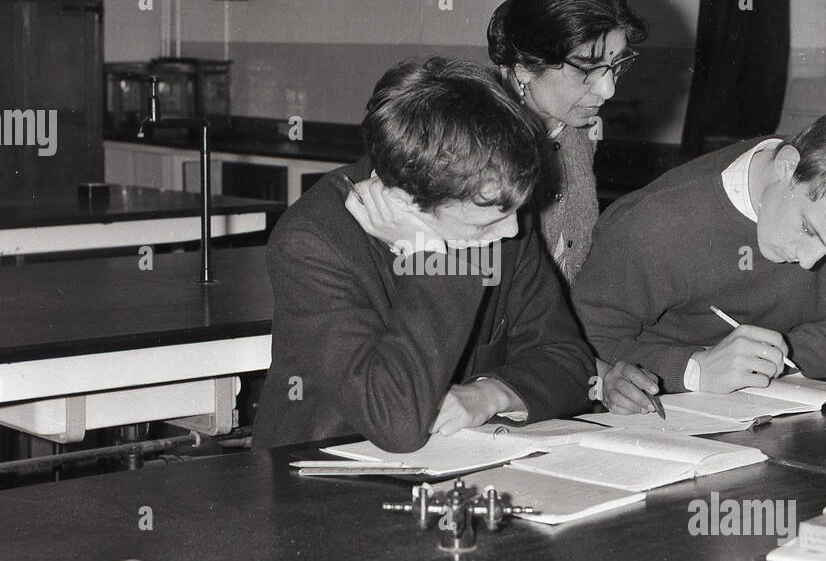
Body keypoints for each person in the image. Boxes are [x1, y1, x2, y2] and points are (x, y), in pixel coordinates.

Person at [254, 56, 594, 451]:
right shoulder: (313, 241)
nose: (512, 232)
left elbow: (571, 362)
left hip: (458, 464)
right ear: (404, 202)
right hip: (324, 478)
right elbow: (397, 423)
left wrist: (490, 394)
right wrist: (433, 261)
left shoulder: (497, 207)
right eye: (483, 225)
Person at [571, 108, 826, 407]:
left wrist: (764, 358)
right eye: (808, 231)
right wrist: (696, 368)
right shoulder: (653, 223)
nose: (809, 262)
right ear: (787, 167)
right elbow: (575, 345)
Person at [487, 0, 648, 286]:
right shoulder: (474, 140)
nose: (608, 89)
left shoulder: (577, 126)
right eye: (588, 68)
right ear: (525, 67)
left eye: (617, 63)